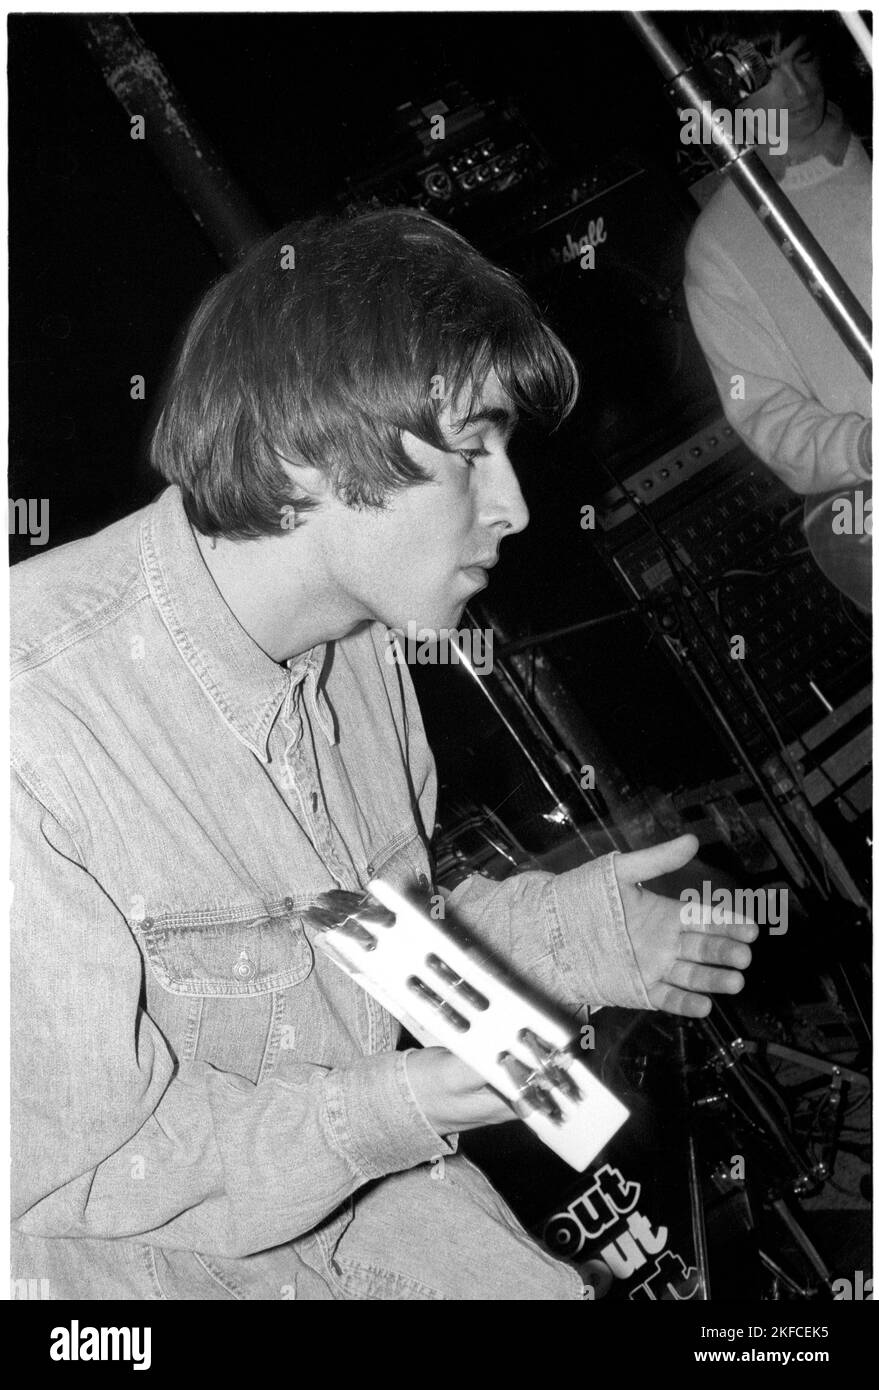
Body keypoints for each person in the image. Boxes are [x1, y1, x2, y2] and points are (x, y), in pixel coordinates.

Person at [10, 208, 756, 1301]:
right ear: (309, 456)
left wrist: (572, 933)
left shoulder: (359, 646)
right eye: (473, 452)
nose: (513, 505)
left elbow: (369, 948)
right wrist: (399, 1106)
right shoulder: (31, 722)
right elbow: (73, 1171)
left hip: (388, 1244)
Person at [683, 15, 872, 508]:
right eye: (765, 74)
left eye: (801, 59)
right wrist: (864, 448)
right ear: (725, 87)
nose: (797, 88)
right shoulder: (720, 244)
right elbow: (766, 414)